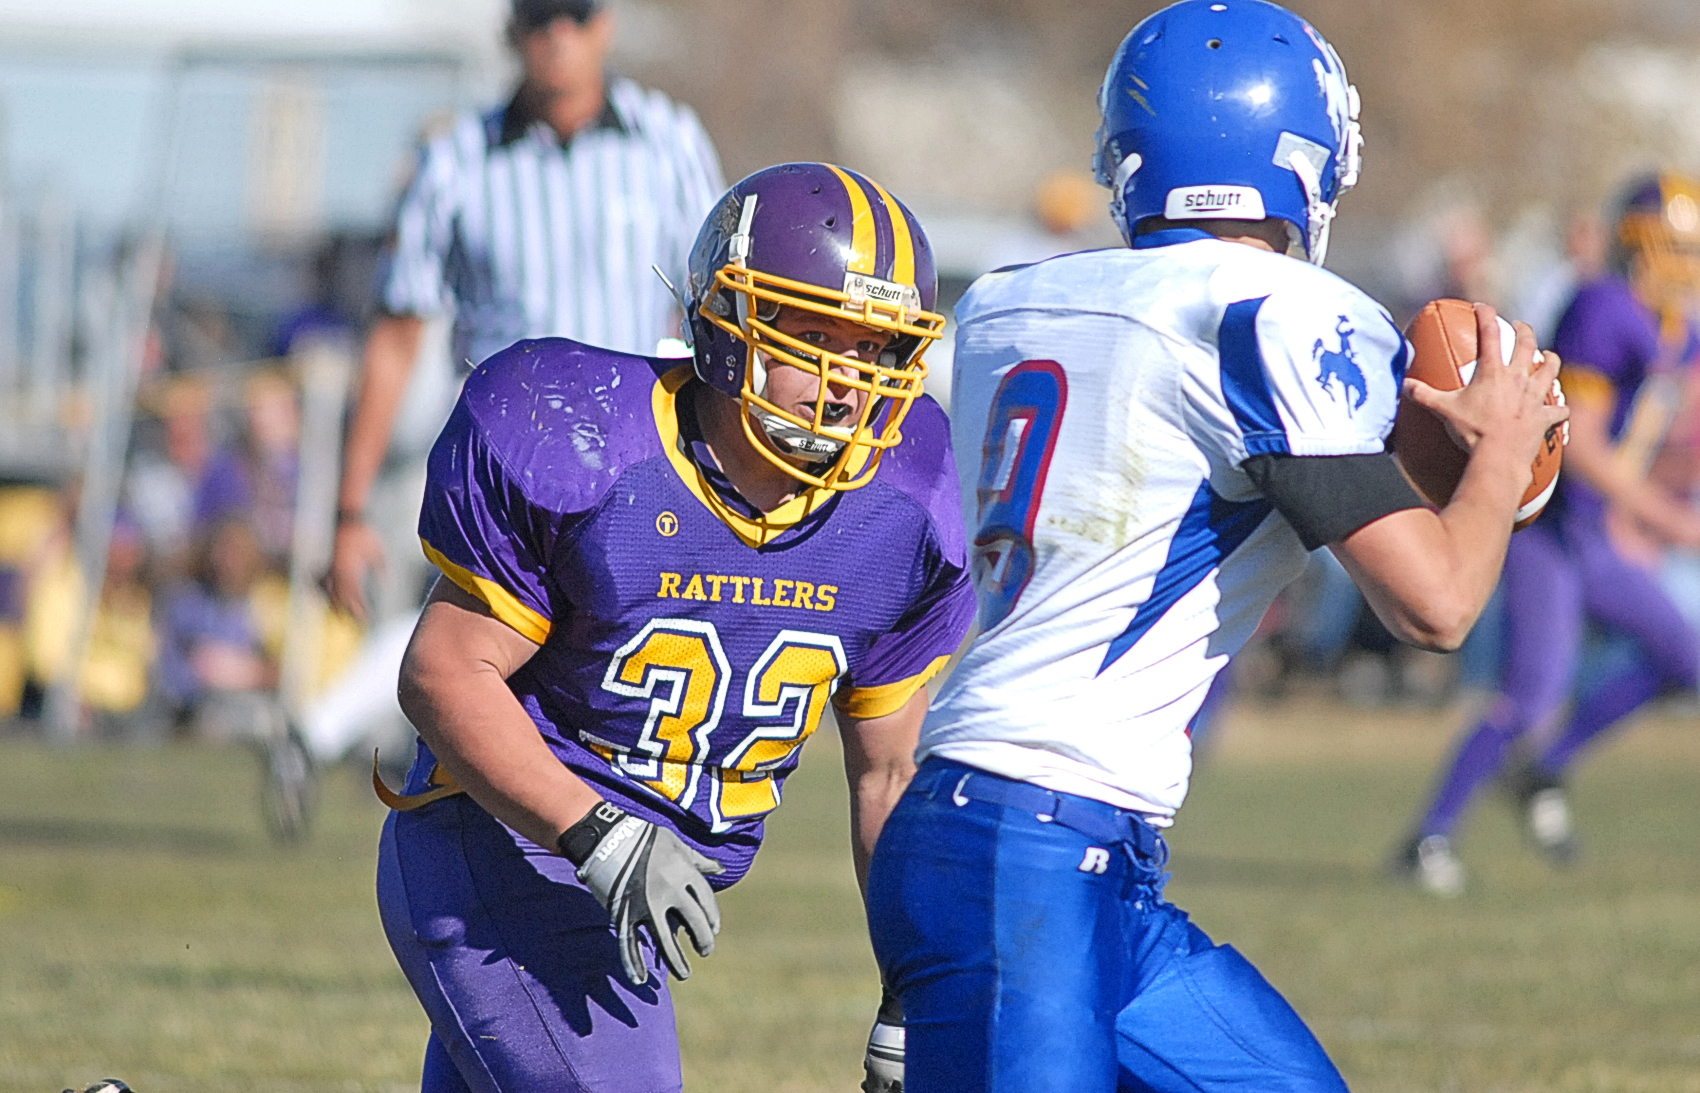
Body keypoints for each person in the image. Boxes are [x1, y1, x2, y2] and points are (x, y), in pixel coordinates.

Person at [862, 4, 1567, 1091]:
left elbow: (1216, 480)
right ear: (1300, 154)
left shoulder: (1015, 299)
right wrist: (1498, 451)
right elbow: (1434, 605)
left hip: (1052, 844)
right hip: (1027, 841)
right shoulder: (1266, 313)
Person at [375, 162, 975, 1093]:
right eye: (813, 337)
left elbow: (890, 775)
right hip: (509, 845)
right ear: (726, 326)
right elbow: (442, 674)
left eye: (874, 349)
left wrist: (918, 985)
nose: (845, 384)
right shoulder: (586, 442)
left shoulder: (908, 499)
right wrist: (600, 832)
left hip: (633, 888)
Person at [326, 0, 725, 622]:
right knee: (471, 664)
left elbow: (713, 315)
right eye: (542, 16)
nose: (559, 35)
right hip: (503, 466)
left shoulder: (669, 139)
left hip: (640, 459)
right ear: (513, 32)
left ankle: (324, 724)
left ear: (605, 26)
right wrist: (350, 510)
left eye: (577, 14)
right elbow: (397, 336)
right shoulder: (456, 159)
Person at [1395, 173, 1700, 895]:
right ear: (1636, 246)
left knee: (1686, 655)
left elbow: (1653, 433)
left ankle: (1543, 770)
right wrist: (1666, 518)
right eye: (1669, 247)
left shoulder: (1679, 330)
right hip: (1548, 526)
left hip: (1595, 533)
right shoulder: (1602, 306)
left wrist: (1640, 512)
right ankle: (1428, 836)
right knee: (1529, 692)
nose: (1680, 264)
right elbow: (1585, 444)